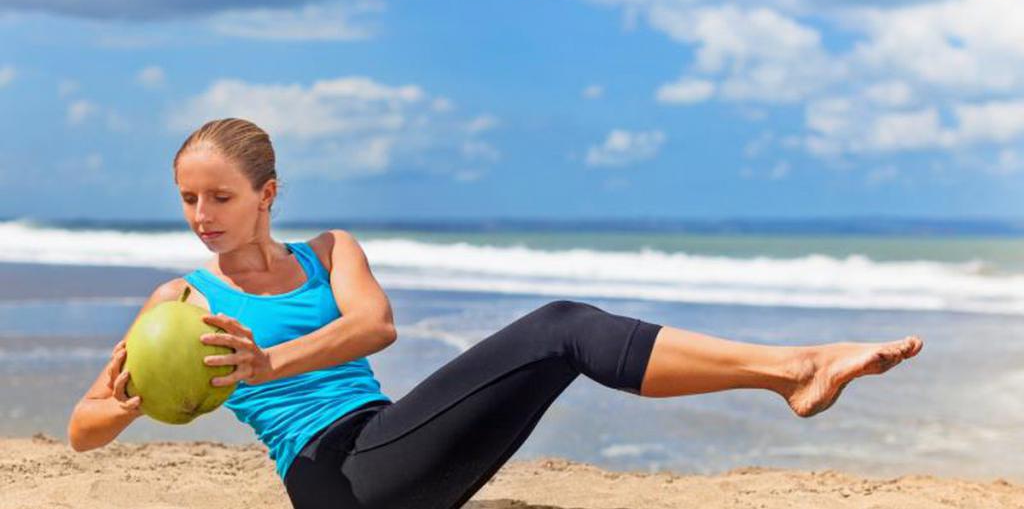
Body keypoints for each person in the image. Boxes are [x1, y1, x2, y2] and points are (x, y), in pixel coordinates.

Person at [66, 118, 924, 509]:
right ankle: (792, 370)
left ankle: (790, 371)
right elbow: (81, 430)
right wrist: (123, 401)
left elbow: (375, 329)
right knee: (559, 325)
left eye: (220, 195)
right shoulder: (181, 299)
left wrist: (268, 363)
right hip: (338, 480)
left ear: (268, 194)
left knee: (565, 335)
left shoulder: (330, 252)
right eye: (187, 199)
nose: (202, 214)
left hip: (391, 439)